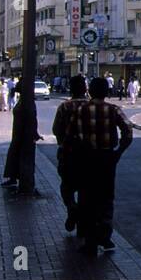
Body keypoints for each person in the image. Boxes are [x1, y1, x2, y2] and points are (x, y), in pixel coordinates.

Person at [69, 77, 132, 255]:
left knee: (87, 198)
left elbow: (69, 136)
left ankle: (90, 241)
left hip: (86, 158)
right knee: (106, 198)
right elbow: (128, 130)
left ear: (90, 91)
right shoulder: (113, 110)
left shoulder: (81, 110)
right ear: (106, 92)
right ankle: (104, 236)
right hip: (107, 158)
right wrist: (118, 152)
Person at [52, 75, 90, 233]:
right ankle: (83, 224)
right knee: (86, 188)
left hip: (68, 153)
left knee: (66, 187)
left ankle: (72, 208)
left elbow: (56, 129)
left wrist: (63, 142)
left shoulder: (65, 107)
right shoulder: (91, 106)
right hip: (89, 155)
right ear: (85, 89)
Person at [3, 79, 37, 186]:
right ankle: (13, 177)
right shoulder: (22, 100)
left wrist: (34, 132)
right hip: (17, 133)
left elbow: (32, 118)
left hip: (23, 134)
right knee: (14, 155)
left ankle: (20, 179)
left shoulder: (27, 101)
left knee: (18, 155)